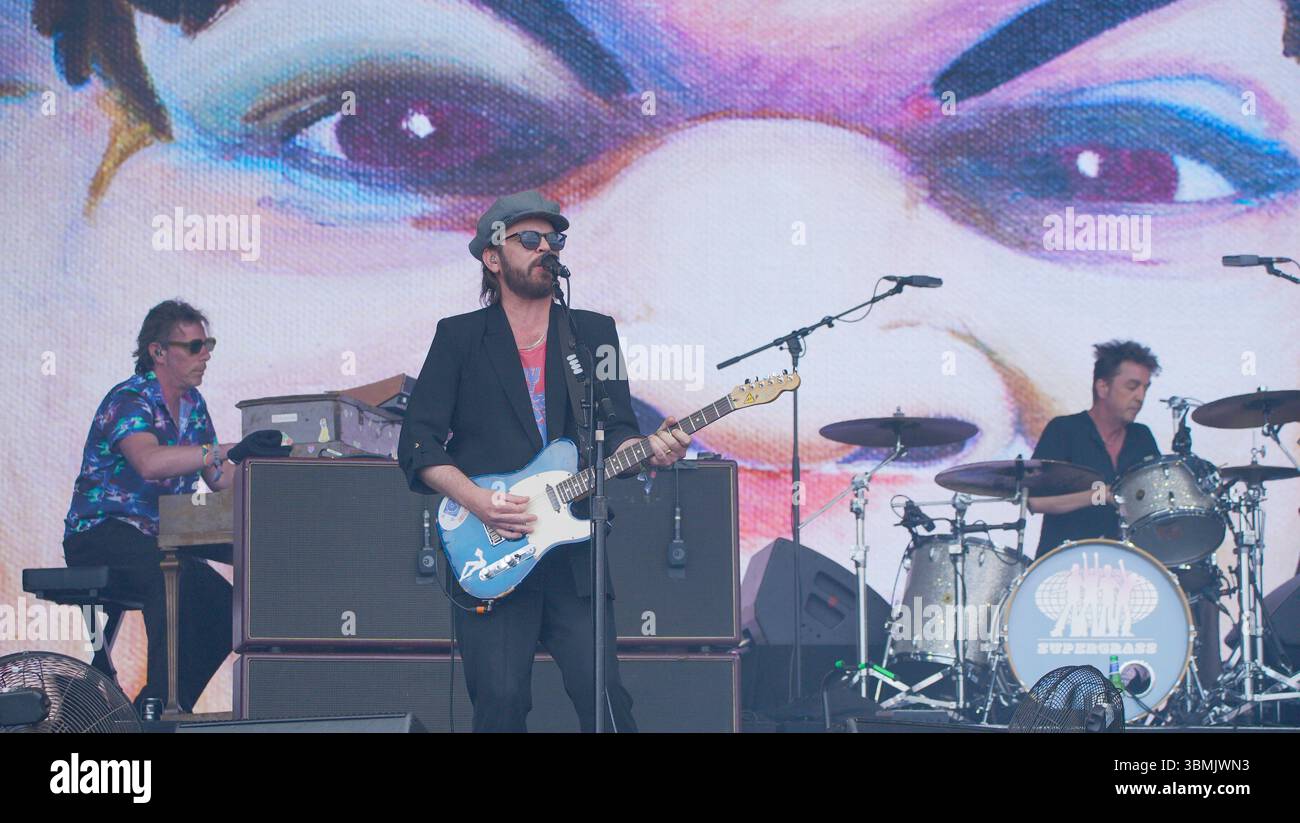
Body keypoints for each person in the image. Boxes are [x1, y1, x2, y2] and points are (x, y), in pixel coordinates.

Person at [398, 191, 691, 732]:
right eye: (529, 239)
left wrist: (655, 451)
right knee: (502, 702)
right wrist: (478, 502)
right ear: (493, 257)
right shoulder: (459, 336)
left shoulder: (594, 332)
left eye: (553, 239)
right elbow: (417, 443)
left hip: (573, 557)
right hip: (493, 550)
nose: (545, 249)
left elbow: (619, 432)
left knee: (604, 698)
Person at [62, 300, 236, 712]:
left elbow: (220, 480)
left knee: (228, 608)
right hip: (100, 534)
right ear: (158, 352)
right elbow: (150, 462)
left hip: (157, 541)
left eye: (207, 344)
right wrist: (217, 451)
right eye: (194, 347)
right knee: (171, 579)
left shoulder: (194, 405)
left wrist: (267, 466)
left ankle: (155, 707)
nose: (205, 355)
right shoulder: (130, 398)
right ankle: (160, 708)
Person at [1027, 340, 1161, 558]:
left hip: (1126, 566)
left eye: (1145, 388)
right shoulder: (1064, 430)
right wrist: (1102, 495)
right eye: (1132, 386)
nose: (1140, 397)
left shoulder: (1142, 437)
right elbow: (1035, 501)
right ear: (1103, 387)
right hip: (1063, 565)